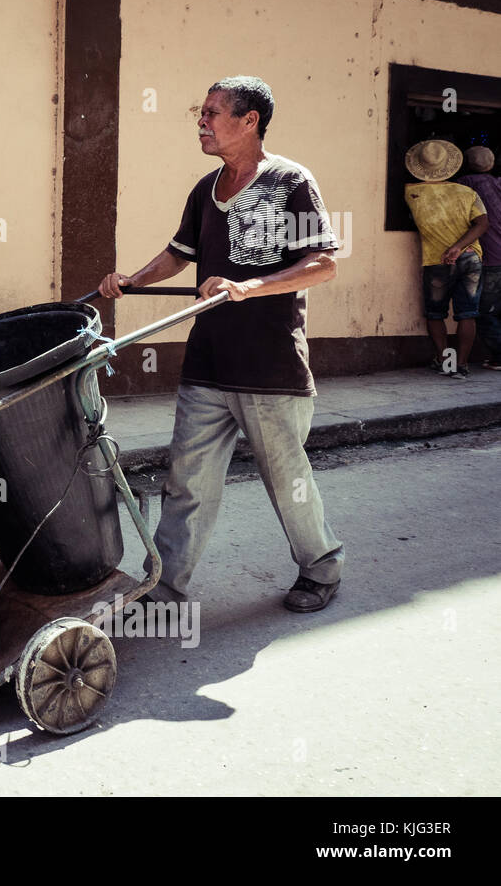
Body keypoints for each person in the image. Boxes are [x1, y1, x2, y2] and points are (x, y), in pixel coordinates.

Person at [97, 75, 345, 613]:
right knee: (187, 481)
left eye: (212, 112)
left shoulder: (290, 181)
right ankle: (165, 585)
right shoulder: (204, 189)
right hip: (208, 361)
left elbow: (323, 265)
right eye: (201, 113)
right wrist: (133, 280)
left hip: (271, 365)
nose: (202, 122)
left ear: (249, 119)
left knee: (286, 479)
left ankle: (322, 568)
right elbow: (178, 253)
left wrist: (248, 286)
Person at [403, 139, 488, 379]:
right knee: (468, 313)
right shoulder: (467, 192)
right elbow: (483, 223)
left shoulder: (411, 192)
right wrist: (459, 246)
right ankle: (461, 365)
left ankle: (444, 361)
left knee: (435, 314)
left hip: (437, 261)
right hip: (470, 257)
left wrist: (449, 249)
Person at [456, 145, 501, 370]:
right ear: (492, 164)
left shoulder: (466, 184)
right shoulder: (498, 183)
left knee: (485, 312)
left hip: (491, 259)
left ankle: (499, 356)